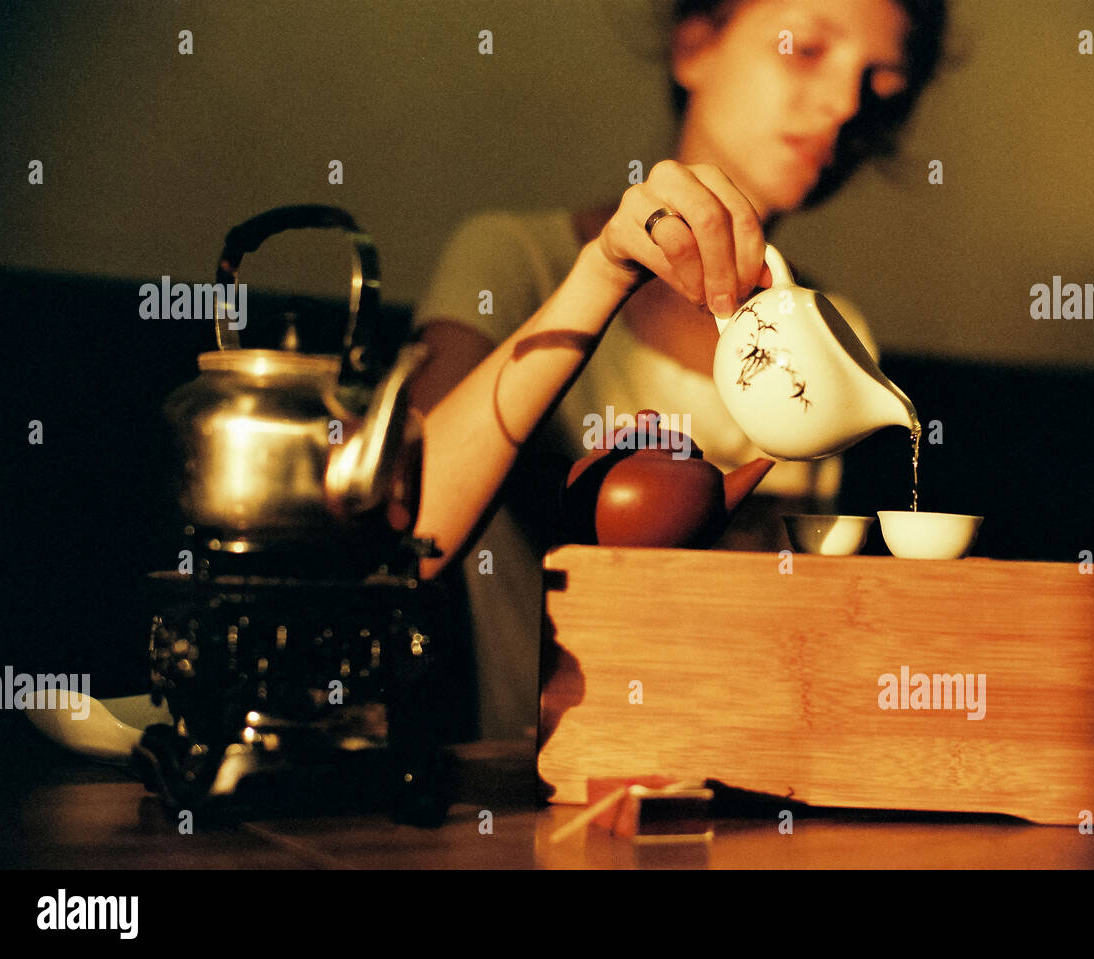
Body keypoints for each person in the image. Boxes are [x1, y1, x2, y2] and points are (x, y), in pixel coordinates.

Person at [403, 0, 948, 740]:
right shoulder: (516, 261)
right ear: (695, 47)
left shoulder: (832, 333)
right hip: (511, 777)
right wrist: (601, 276)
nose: (845, 104)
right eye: (806, 49)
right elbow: (412, 527)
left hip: (723, 770)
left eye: (880, 86)